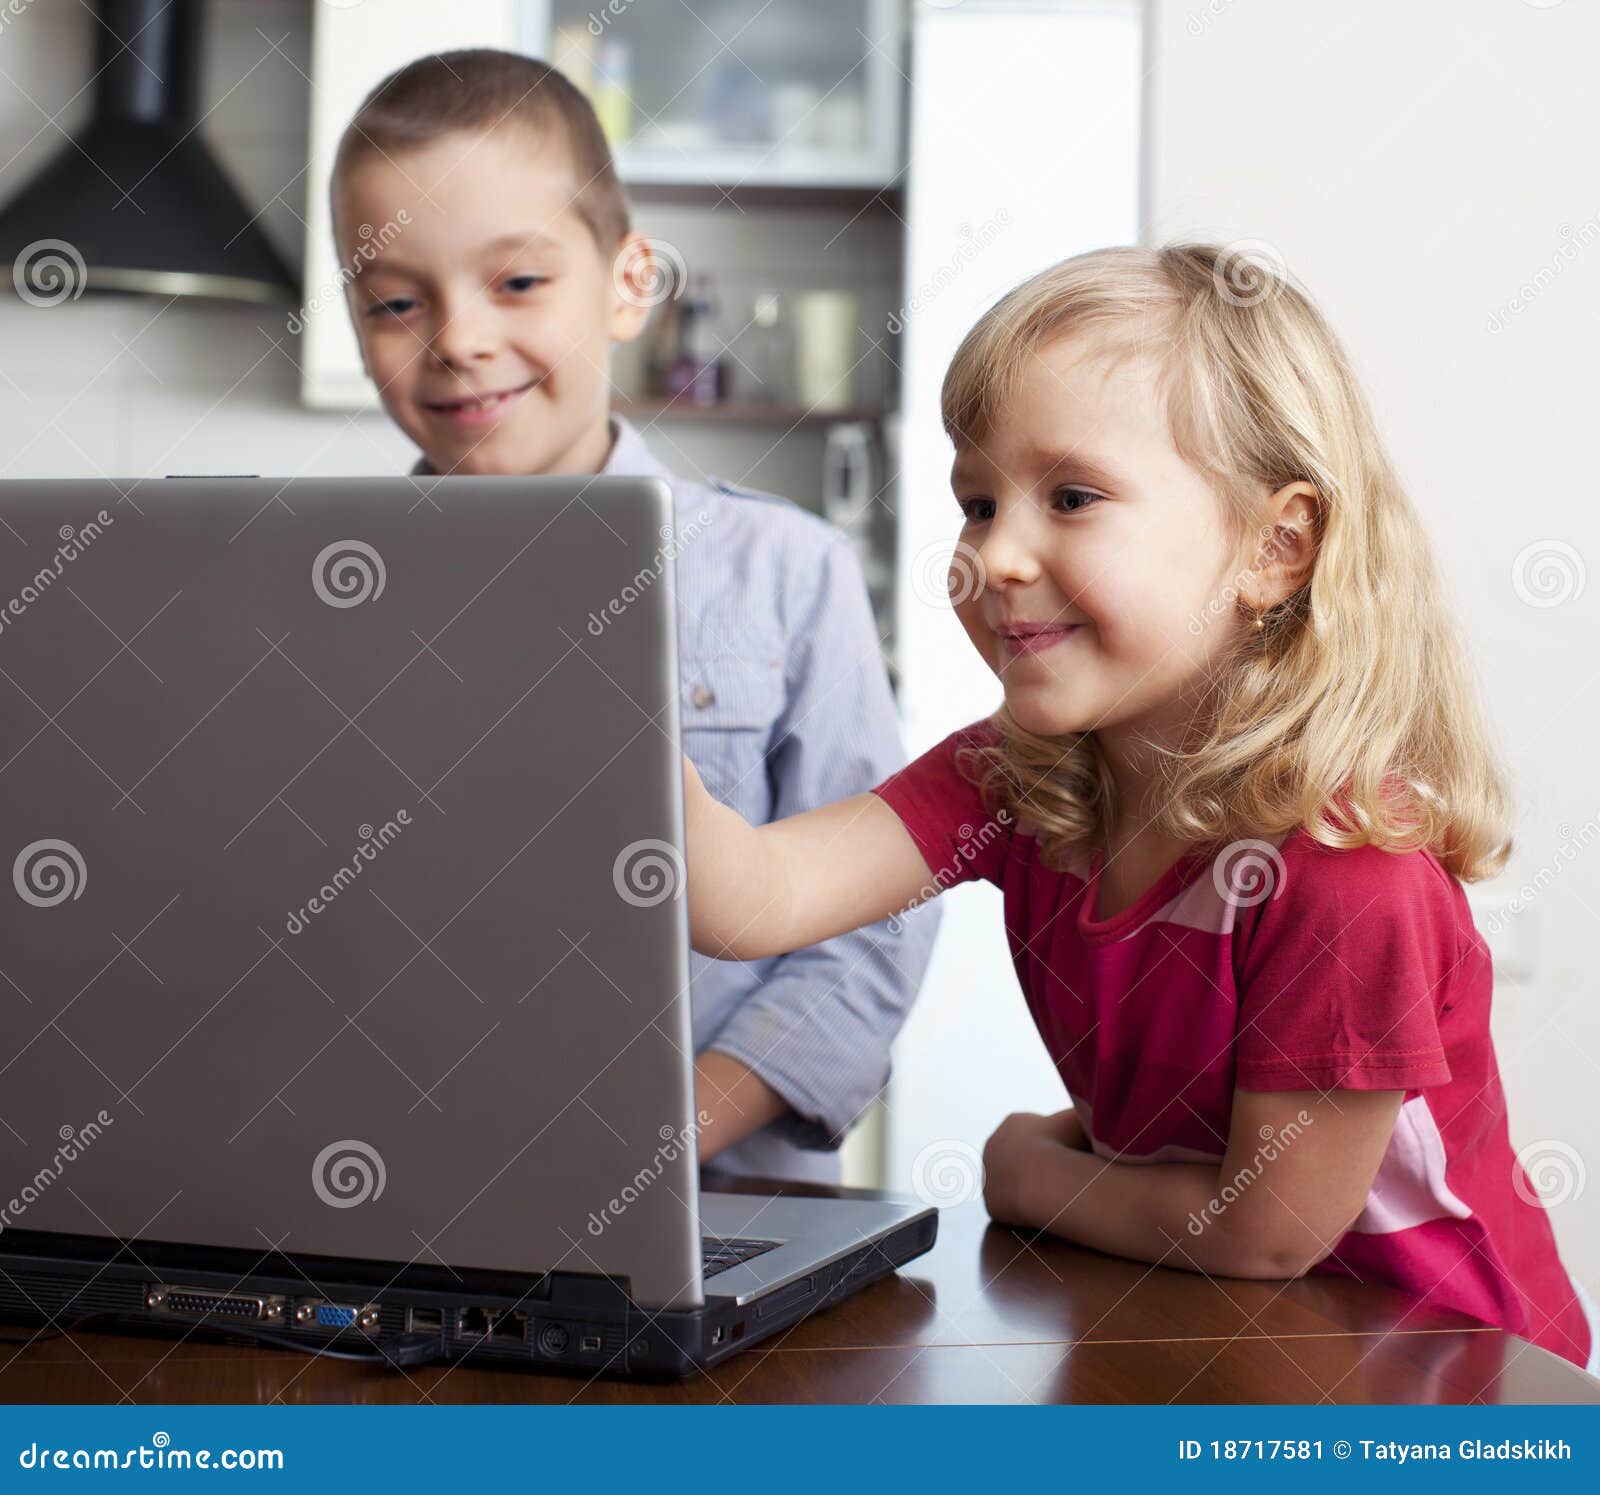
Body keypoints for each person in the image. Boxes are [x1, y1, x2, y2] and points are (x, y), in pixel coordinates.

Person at [681, 243, 1595, 1369]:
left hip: (1433, 1381)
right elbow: (747, 899)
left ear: (1274, 547)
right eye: (977, 502)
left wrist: (1030, 1171)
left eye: (1070, 497)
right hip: (1199, 1335)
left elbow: (1267, 1231)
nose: (992, 553)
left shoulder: (1345, 869)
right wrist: (609, 703)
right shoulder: (1009, 779)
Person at [328, 50, 938, 1180]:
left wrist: (667, 1132)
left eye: (515, 284)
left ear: (627, 282)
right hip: (409, 1189)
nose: (456, 338)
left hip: (723, 1210)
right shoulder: (323, 602)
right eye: (398, 302)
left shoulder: (785, 570)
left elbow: (875, 921)